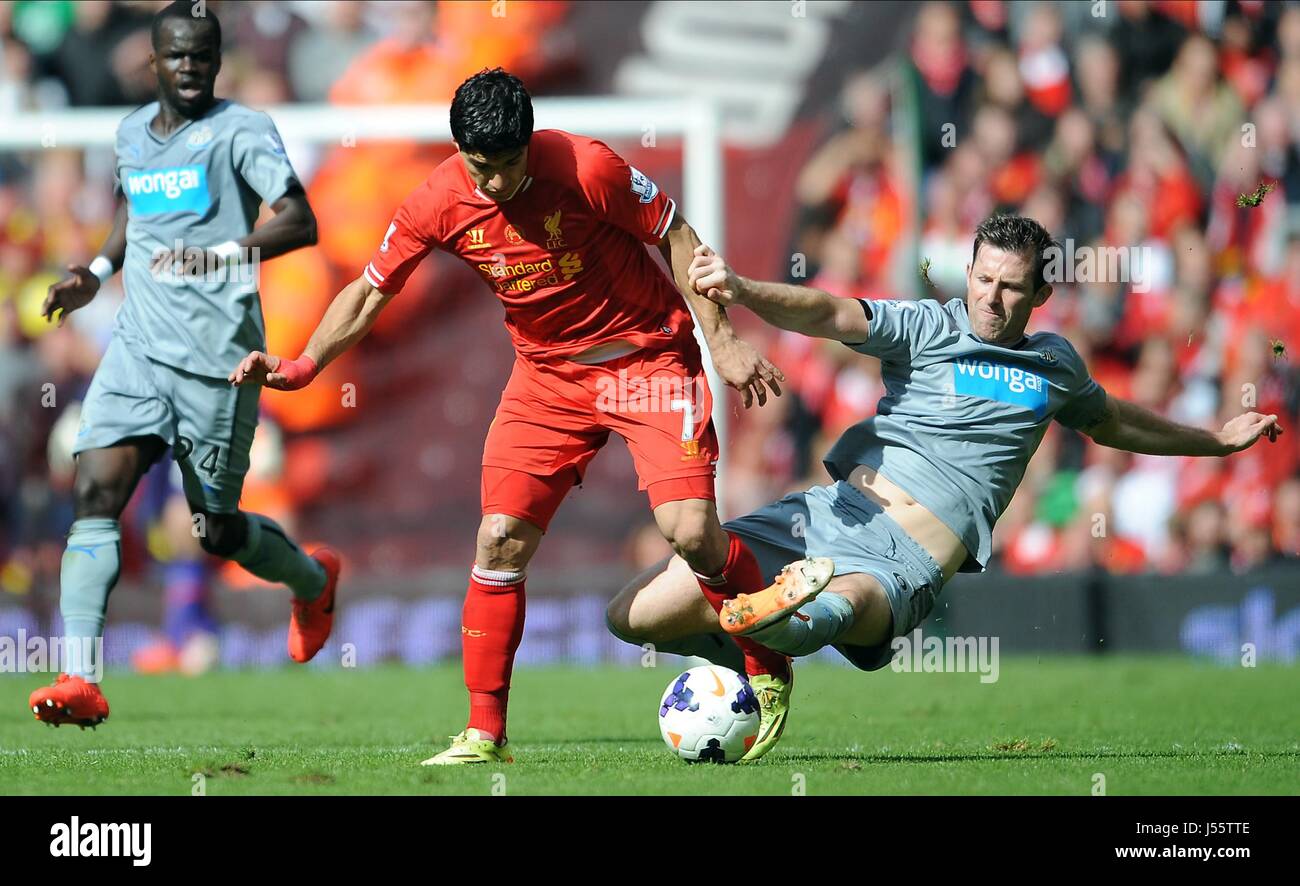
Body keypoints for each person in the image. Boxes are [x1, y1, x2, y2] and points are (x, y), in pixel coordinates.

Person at [231, 68, 794, 764]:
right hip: (547, 379)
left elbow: (679, 237)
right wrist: (305, 365)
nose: (494, 183)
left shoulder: (588, 167)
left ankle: (767, 661)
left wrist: (726, 341)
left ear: (530, 142)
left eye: (507, 165)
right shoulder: (438, 198)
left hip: (645, 364)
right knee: (498, 541)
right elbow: (371, 291)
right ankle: (483, 734)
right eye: (480, 167)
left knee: (690, 534)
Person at [606, 214, 1282, 758]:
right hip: (824, 514)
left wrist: (1214, 440)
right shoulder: (931, 327)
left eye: (1011, 287)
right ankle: (764, 653)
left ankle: (778, 630)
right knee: (629, 616)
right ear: (968, 273)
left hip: (906, 557)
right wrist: (745, 289)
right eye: (983, 278)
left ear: (1041, 296)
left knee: (831, 608)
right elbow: (831, 313)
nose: (991, 296)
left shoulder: (1054, 367)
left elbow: (1113, 422)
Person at [29, 1, 339, 729]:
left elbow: (300, 218)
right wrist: (95, 273)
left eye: (203, 55)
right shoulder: (132, 133)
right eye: (177, 56)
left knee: (213, 531)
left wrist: (221, 251)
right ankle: (80, 678)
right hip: (137, 348)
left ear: (217, 59)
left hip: (218, 362)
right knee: (97, 487)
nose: (191, 68)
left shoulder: (241, 130)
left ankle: (313, 580)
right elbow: (129, 217)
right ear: (155, 62)